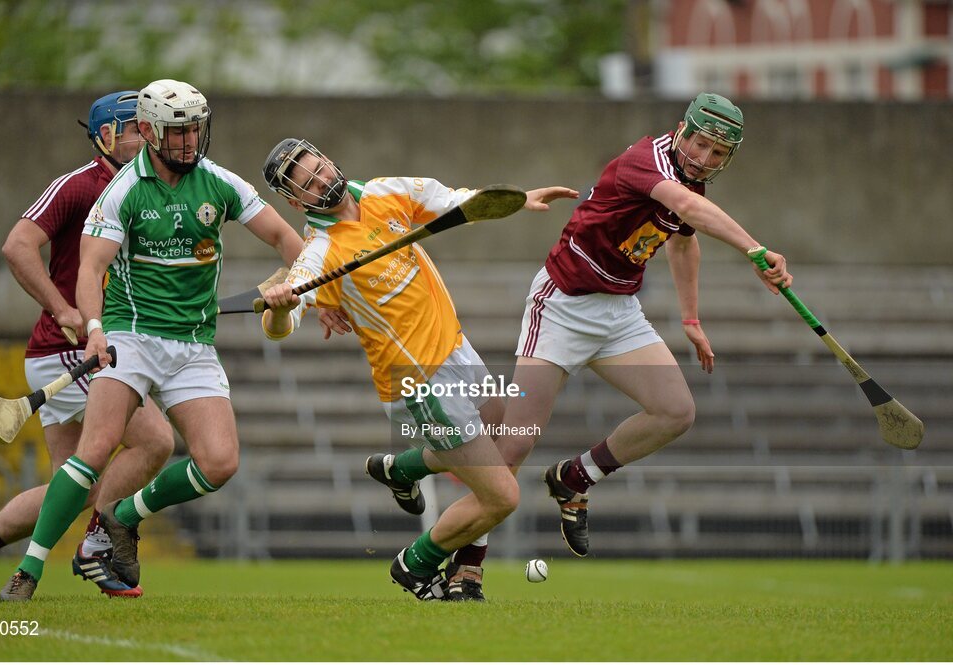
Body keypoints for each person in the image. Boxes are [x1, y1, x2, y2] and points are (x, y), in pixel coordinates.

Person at [0, 79, 307, 601]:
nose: (190, 142)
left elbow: (288, 240)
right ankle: (28, 569)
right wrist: (94, 331)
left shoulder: (220, 183)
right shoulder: (123, 191)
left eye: (195, 130)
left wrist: (293, 285)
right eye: (178, 132)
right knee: (93, 452)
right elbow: (91, 268)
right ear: (147, 131)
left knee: (220, 463)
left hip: (193, 346)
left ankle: (121, 515)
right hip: (131, 337)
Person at [257, 137, 578, 601]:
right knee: (502, 496)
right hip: (419, 386)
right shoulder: (319, 252)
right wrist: (281, 307)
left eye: (320, 168)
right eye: (307, 183)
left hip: (458, 350)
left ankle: (404, 468)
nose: (323, 180)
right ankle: (419, 564)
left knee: (515, 436)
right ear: (295, 201)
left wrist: (516, 200)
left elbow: (455, 202)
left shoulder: (388, 191)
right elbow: (277, 329)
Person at [496, 92, 793, 556]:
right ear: (681, 131)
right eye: (699, 144)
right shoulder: (644, 160)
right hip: (562, 305)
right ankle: (465, 567)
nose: (703, 158)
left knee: (676, 412)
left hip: (618, 313)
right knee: (513, 448)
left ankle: (575, 477)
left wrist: (690, 318)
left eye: (717, 152)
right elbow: (690, 212)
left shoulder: (693, 184)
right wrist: (755, 250)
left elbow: (682, 241)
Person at [0, 91, 174, 599]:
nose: (148, 136)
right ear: (106, 135)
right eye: (136, 128)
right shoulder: (80, 185)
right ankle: (98, 546)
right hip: (69, 350)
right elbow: (17, 245)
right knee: (155, 442)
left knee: (75, 487)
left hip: (86, 351)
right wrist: (65, 310)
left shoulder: (148, 190)